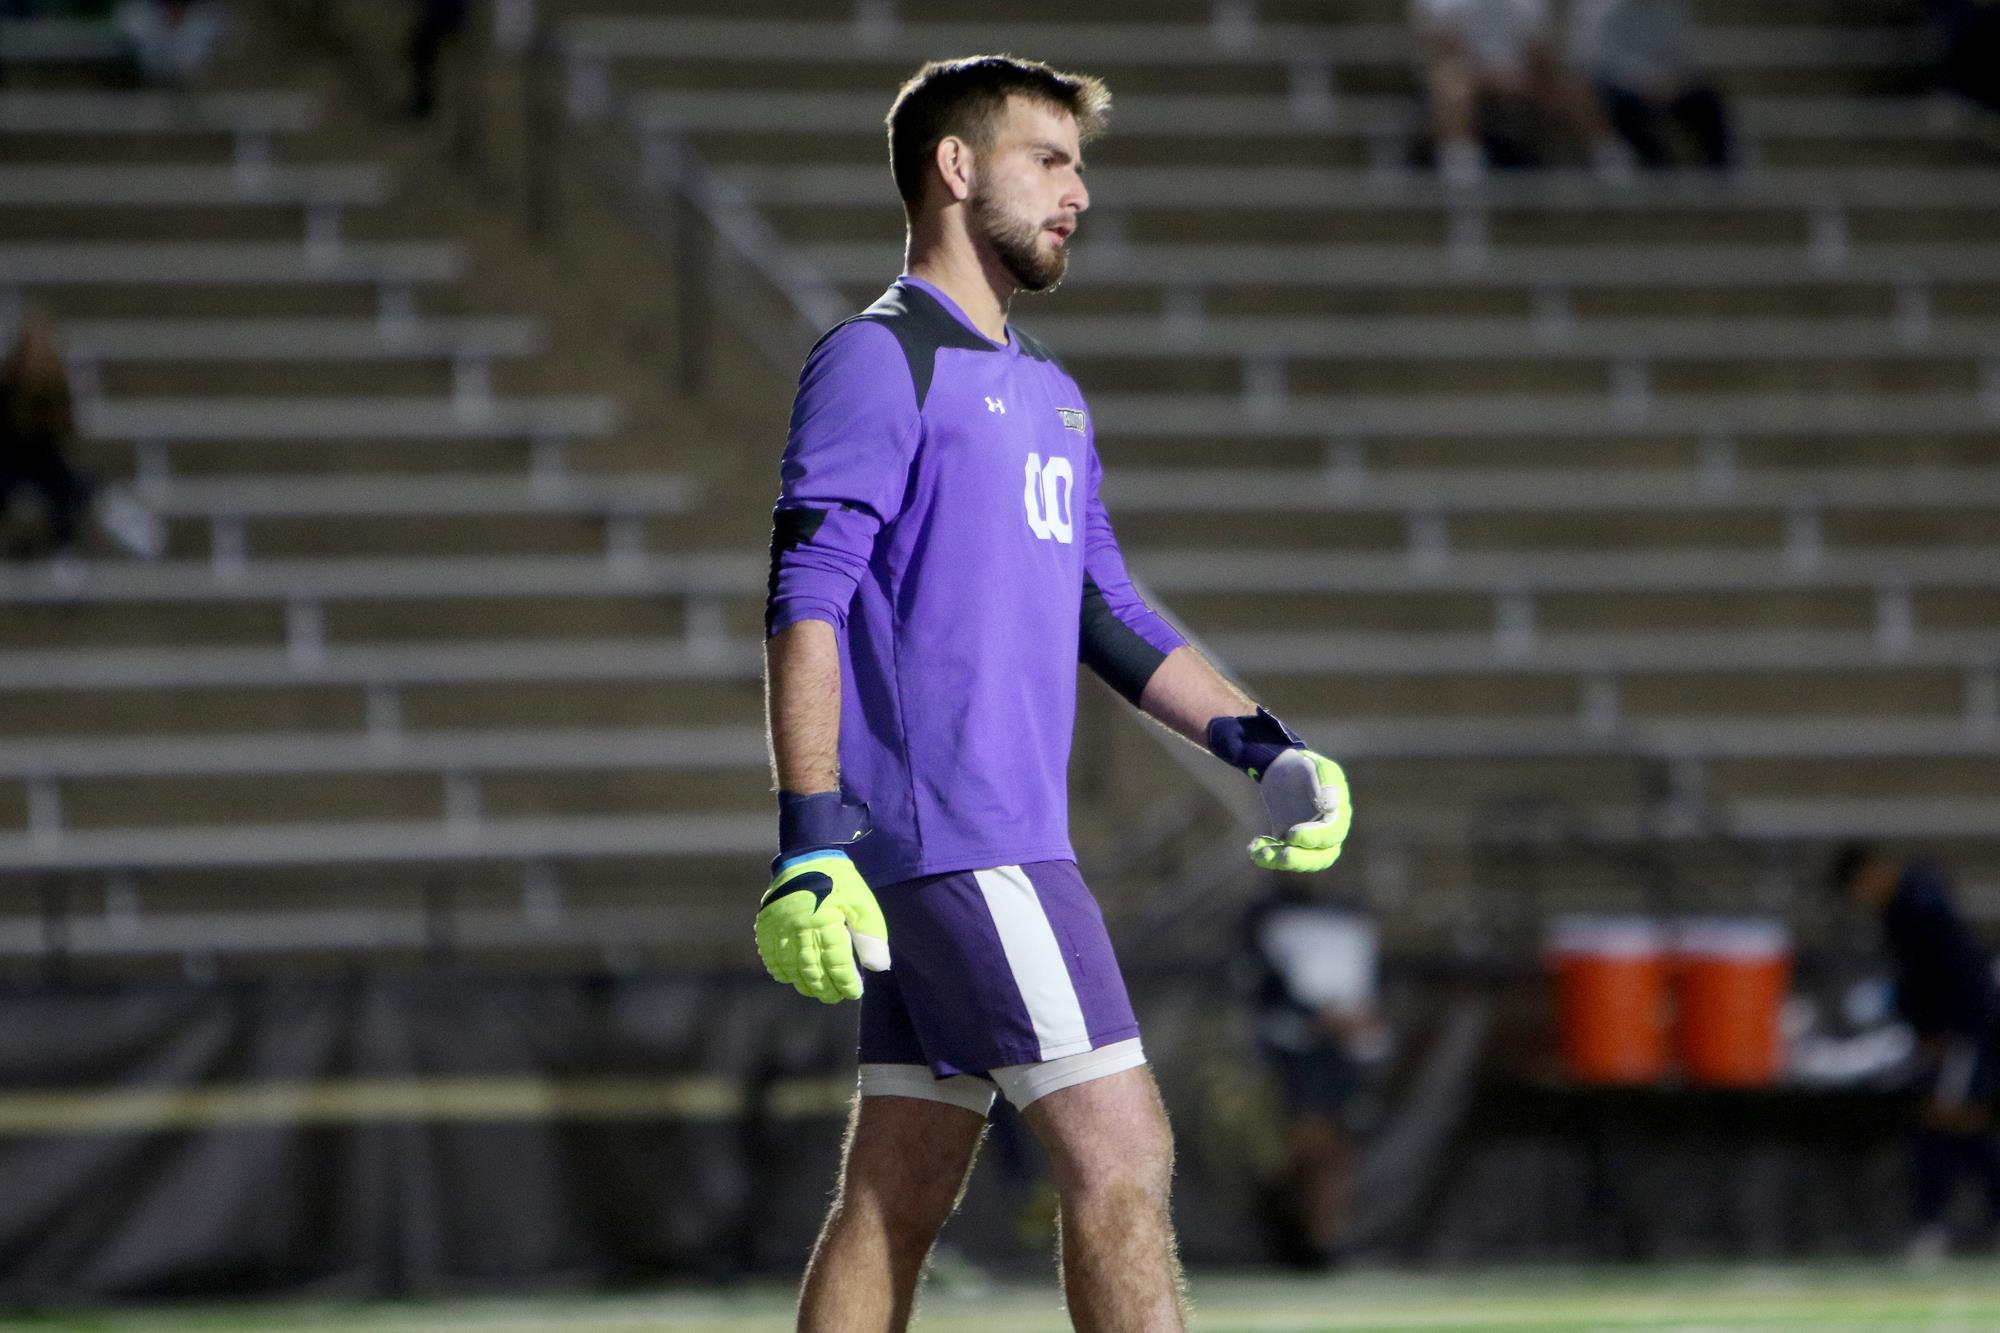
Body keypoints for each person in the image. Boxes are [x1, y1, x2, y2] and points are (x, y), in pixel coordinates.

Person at [755, 55, 1354, 1331]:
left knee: (890, 1196)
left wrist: (1263, 746)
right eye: (1050, 159)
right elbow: (805, 599)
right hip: (968, 845)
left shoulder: (1050, 395)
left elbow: (1107, 612)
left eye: (1079, 164)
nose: (1077, 191)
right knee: (1122, 1157)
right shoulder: (876, 361)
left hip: (965, 847)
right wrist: (808, 839)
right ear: (956, 170)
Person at [1833, 842, 2000, 1264]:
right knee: (1955, 1125)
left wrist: (1948, 1029)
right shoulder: (1905, 907)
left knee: (1946, 1121)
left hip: (1964, 1033)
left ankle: (1932, 1224)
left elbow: (1957, 969)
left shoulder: (1919, 903)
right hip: (1954, 1032)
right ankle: (1936, 1223)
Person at [1242, 881, 1389, 1268]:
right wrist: (1316, 1018)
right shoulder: (1272, 921)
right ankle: (1295, 1238)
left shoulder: (1353, 923)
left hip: (1342, 1055)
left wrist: (1357, 1023)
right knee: (1305, 1145)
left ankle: (1324, 1242)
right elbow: (1267, 988)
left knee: (1336, 1152)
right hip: (1293, 1053)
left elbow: (1366, 987)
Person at [0, 311, 164, 564]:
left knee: (77, 490)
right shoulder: (8, 387)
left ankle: (66, 547)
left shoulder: (56, 389)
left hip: (44, 464)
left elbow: (63, 435)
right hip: (10, 464)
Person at [1412, 0, 1627, 186]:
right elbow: (1443, 43)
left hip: (1520, 75)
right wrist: (1490, 74)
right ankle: (1462, 173)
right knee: (1451, 84)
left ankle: (1613, 162)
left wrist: (1526, 73)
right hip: (1468, 72)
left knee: (1575, 90)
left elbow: (1538, 45)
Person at [1571, 0, 1732, 170]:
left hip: (1671, 84)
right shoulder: (1611, 13)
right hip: (1629, 87)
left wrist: (1671, 80)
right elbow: (1612, 62)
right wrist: (1646, 81)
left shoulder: (1672, 10)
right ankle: (1654, 167)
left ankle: (1719, 169)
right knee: (1623, 106)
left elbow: (1682, 53)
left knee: (1706, 99)